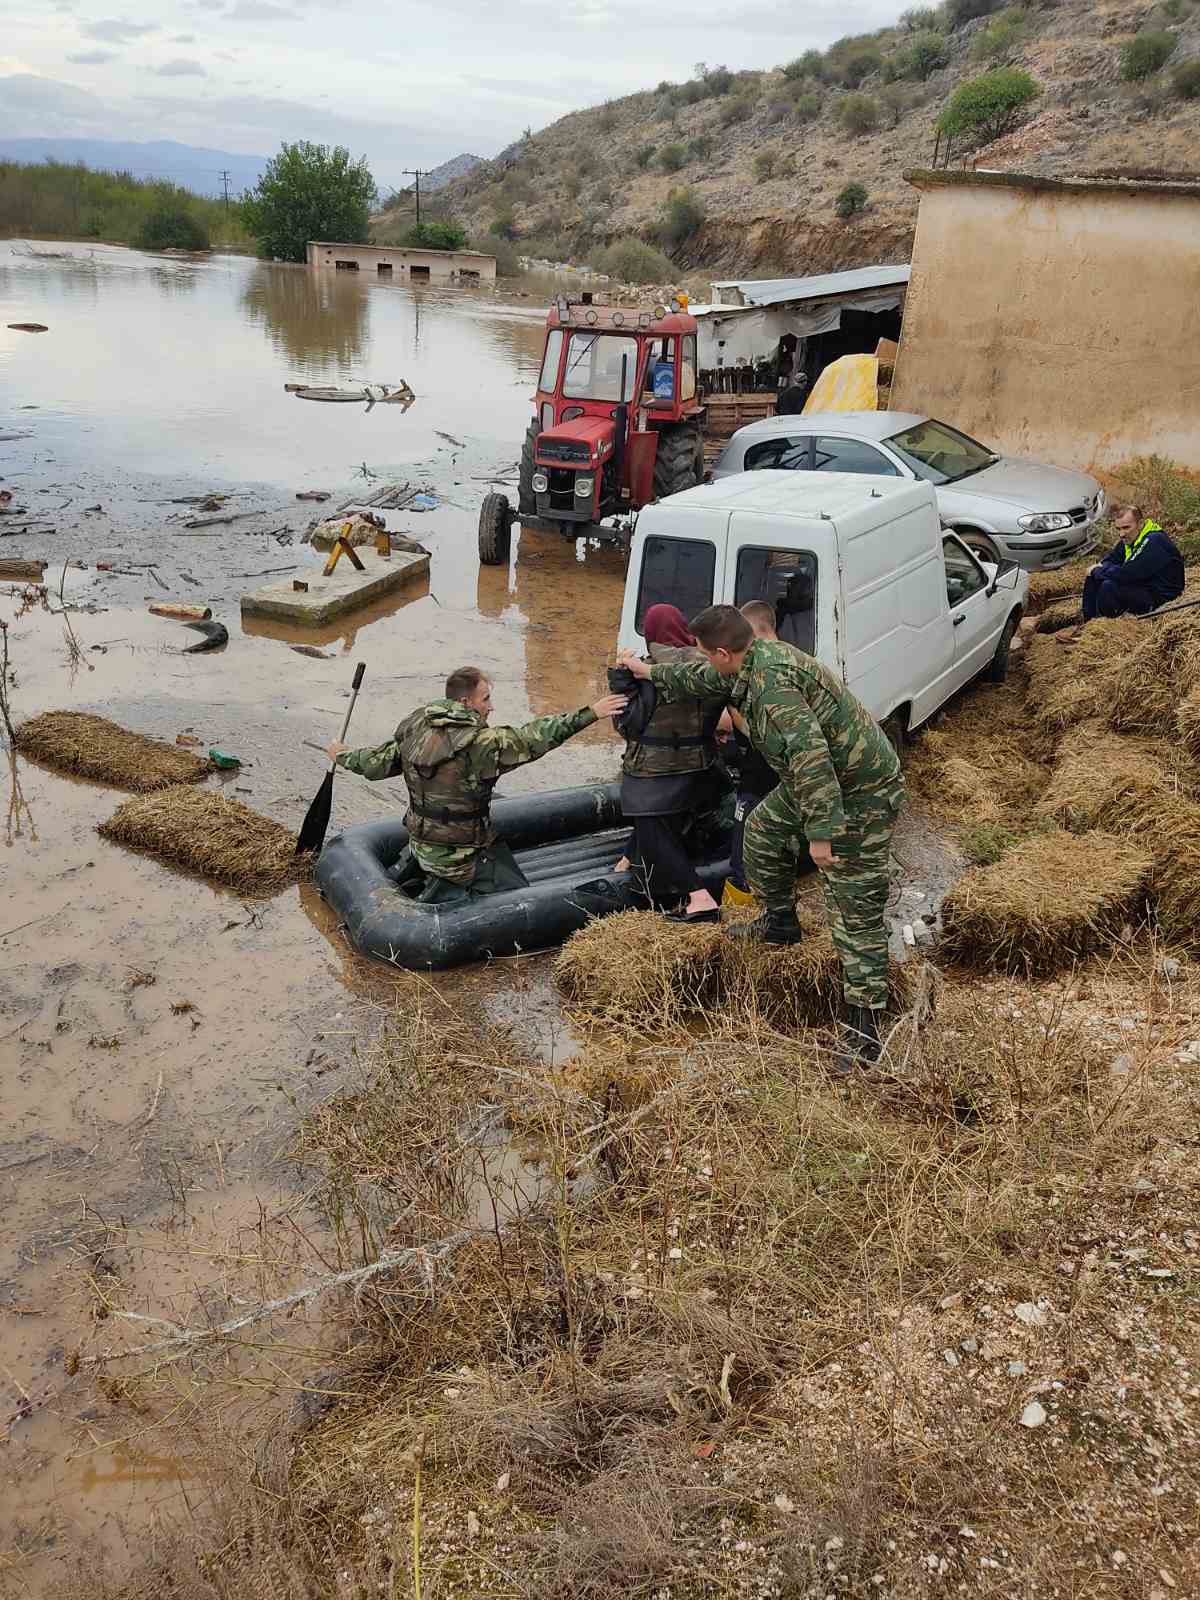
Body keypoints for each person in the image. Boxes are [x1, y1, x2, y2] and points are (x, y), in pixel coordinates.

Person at [618, 605, 904, 1070]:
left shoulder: (774, 687)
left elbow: (813, 759)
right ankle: (780, 924)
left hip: (858, 792)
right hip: (814, 783)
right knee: (761, 835)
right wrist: (645, 670)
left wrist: (821, 835)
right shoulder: (748, 661)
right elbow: (701, 680)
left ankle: (864, 1029)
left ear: (725, 652)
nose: (708, 664)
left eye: (709, 655)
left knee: (853, 906)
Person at [327, 667, 626, 903]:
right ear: (464, 702)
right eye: (486, 699)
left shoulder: (415, 731)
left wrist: (343, 755)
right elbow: (535, 737)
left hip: (420, 846)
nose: (491, 707)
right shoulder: (481, 746)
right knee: (518, 895)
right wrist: (591, 713)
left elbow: (374, 763)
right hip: (463, 859)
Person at [611, 604, 728, 923]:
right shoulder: (709, 668)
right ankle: (629, 857)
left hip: (654, 773)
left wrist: (620, 681)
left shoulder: (645, 671)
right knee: (660, 824)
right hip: (700, 770)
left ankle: (698, 896)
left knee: (651, 823)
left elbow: (628, 725)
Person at [1079, 504, 1184, 622]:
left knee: (1109, 586)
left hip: (1159, 596)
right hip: (1141, 586)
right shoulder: (1130, 539)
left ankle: (1105, 628)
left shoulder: (1154, 540)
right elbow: (1109, 560)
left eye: (1126, 527)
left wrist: (1098, 570)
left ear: (1140, 523)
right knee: (1093, 578)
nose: (1121, 534)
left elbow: (1126, 574)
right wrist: (1099, 571)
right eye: (1118, 529)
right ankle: (1087, 624)